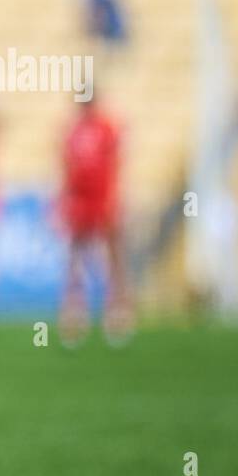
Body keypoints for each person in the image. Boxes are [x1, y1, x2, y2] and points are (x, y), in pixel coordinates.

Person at [58, 94, 132, 346]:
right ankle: (74, 314)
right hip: (80, 202)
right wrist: (65, 199)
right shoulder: (73, 130)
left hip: (103, 200)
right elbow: (66, 166)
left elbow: (118, 162)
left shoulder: (106, 127)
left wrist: (117, 199)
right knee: (75, 257)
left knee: (113, 257)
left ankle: (118, 313)